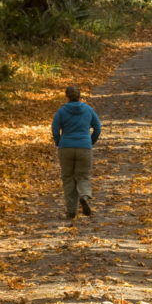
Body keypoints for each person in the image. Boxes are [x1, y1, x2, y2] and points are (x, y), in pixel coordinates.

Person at [50, 85, 101, 219]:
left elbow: (55, 129)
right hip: (84, 146)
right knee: (83, 176)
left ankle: (71, 211)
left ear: (66, 96)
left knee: (68, 178)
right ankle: (84, 196)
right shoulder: (88, 110)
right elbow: (98, 128)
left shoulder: (61, 111)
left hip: (66, 147)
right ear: (80, 96)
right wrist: (90, 141)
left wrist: (59, 142)